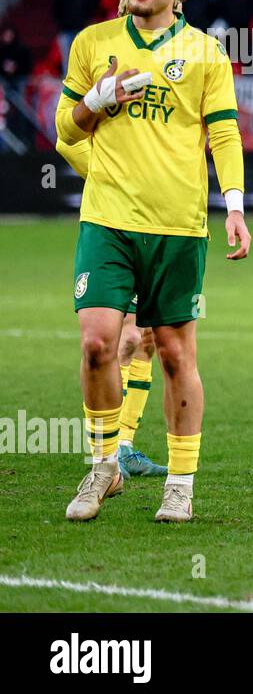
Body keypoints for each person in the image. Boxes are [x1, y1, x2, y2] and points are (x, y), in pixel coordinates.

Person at [55, 0, 251, 523]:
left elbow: (222, 133)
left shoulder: (206, 54)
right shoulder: (92, 43)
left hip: (178, 225)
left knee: (170, 352)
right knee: (96, 345)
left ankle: (181, 485)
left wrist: (235, 204)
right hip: (108, 219)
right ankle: (103, 466)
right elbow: (65, 130)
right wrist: (99, 100)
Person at [55, 129, 166, 479]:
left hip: (161, 222)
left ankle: (126, 445)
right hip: (116, 226)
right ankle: (109, 449)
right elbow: (65, 140)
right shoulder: (108, 86)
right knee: (127, 339)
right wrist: (114, 181)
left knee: (147, 340)